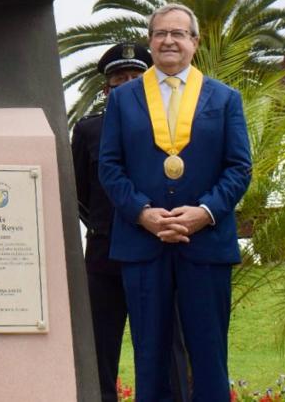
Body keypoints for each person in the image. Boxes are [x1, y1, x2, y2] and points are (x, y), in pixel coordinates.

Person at [99, 4, 252, 402]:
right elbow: (110, 167)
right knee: (150, 355)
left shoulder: (225, 99)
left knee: (209, 354)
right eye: (160, 33)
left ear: (194, 43)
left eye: (178, 34)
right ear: (150, 41)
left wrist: (204, 213)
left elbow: (239, 168)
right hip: (143, 243)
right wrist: (142, 213)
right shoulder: (122, 100)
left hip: (206, 244)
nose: (169, 40)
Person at [72, 43, 190, 402]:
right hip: (104, 256)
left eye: (134, 78)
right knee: (100, 352)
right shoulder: (89, 131)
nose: (126, 85)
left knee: (164, 346)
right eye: (118, 80)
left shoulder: (172, 127)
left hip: (158, 252)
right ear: (107, 90)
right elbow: (79, 193)